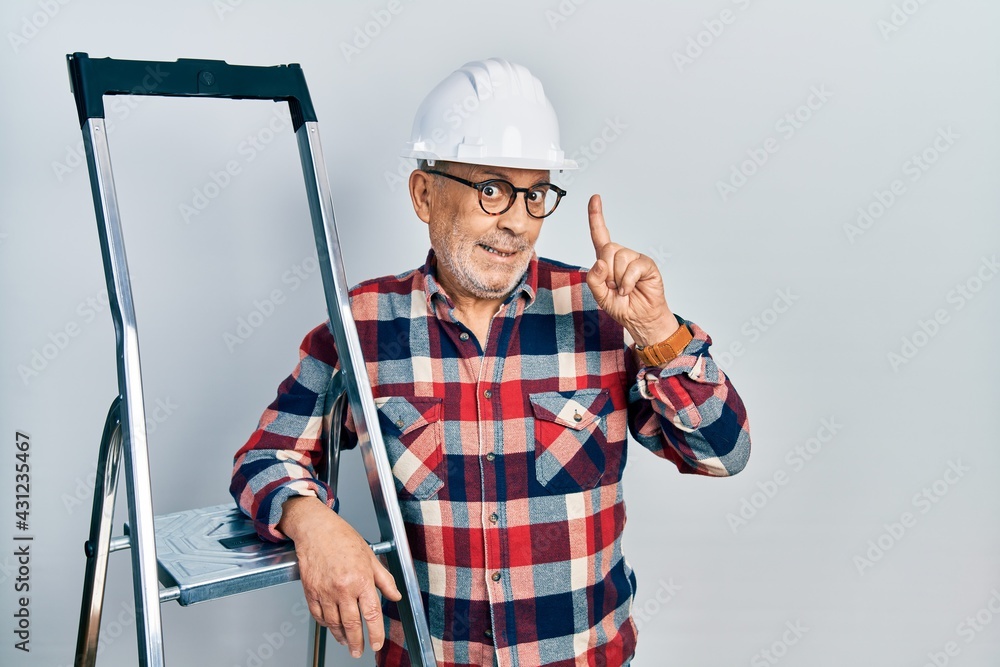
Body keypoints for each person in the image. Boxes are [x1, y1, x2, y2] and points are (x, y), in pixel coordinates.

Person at [230, 58, 751, 667]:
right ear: (425, 195)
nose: (516, 222)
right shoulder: (363, 324)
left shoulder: (601, 311)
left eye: (535, 195)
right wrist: (310, 521)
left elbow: (723, 454)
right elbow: (266, 457)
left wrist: (658, 332)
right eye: (492, 189)